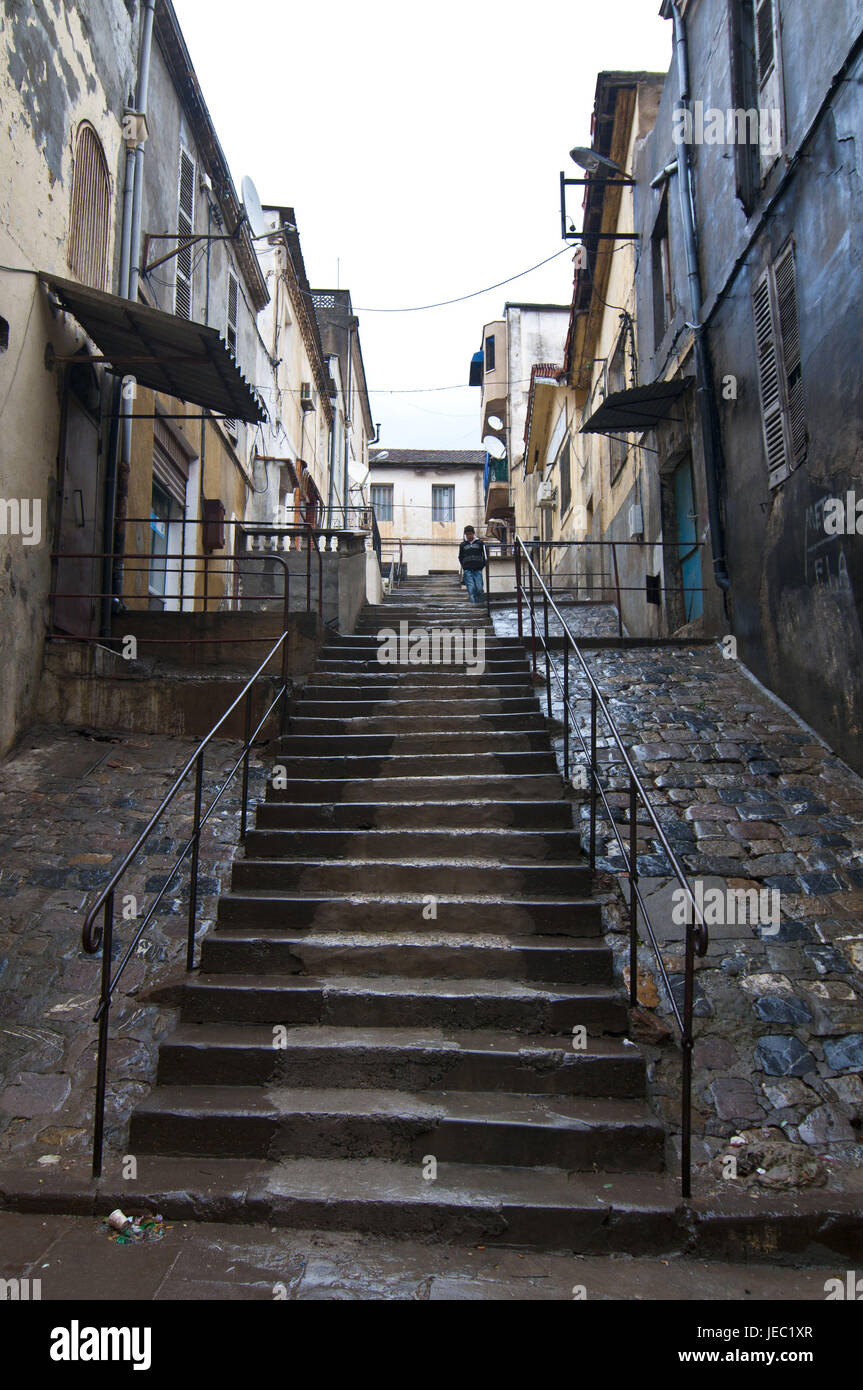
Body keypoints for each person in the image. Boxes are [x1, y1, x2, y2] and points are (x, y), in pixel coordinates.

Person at [458, 525, 487, 604]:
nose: (468, 536)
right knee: (471, 589)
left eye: (470, 534)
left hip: (478, 569)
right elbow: (460, 557)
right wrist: (464, 566)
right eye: (467, 534)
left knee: (479, 588)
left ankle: (480, 604)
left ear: (473, 533)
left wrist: (482, 565)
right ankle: (473, 605)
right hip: (468, 570)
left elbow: (485, 555)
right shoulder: (463, 545)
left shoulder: (480, 543)